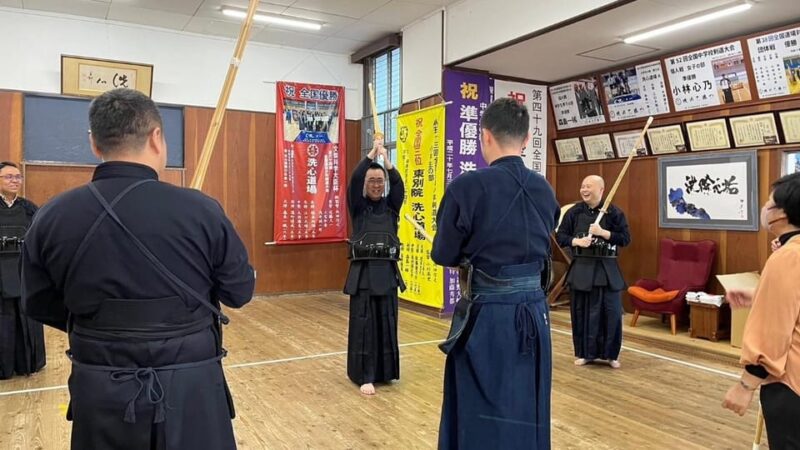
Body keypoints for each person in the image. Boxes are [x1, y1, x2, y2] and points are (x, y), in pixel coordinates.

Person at [21, 88, 255, 450]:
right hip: (191, 384)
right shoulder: (200, 210)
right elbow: (239, 292)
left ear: (94, 144)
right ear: (157, 138)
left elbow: (37, 302)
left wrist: (102, 322)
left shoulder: (52, 214)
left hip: (100, 382)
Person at [431, 97, 560, 449]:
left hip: (488, 314)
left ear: (484, 136)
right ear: (526, 138)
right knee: (527, 401)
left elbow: (443, 253)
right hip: (535, 313)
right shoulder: (544, 190)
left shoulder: (467, 187)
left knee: (481, 404)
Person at [723, 173, 800, 449]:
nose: (764, 207)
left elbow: (774, 330)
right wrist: (760, 294)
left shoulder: (789, 256)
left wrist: (745, 385)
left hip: (790, 382)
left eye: (769, 202)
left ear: (781, 214)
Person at [343, 137, 405, 396]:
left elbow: (399, 186)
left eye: (380, 181)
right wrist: (371, 153)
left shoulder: (391, 208)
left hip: (387, 274)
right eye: (372, 182)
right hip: (364, 275)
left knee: (387, 321)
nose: (376, 185)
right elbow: (355, 178)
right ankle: (365, 375)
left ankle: (385, 372)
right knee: (365, 324)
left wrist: (387, 162)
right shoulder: (358, 208)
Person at [556, 175, 630, 369]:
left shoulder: (613, 212)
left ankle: (611, 354)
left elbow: (625, 238)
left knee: (611, 312)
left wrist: (603, 233)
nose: (584, 190)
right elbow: (561, 236)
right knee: (581, 311)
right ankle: (584, 353)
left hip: (607, 269)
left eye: (589, 186)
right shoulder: (574, 212)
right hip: (582, 268)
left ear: (601, 190)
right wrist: (576, 241)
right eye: (582, 186)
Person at [0, 162, 45, 379]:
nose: (15, 181)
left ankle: (28, 362)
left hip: (22, 271)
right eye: (9, 177)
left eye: (18, 177)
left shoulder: (29, 209)